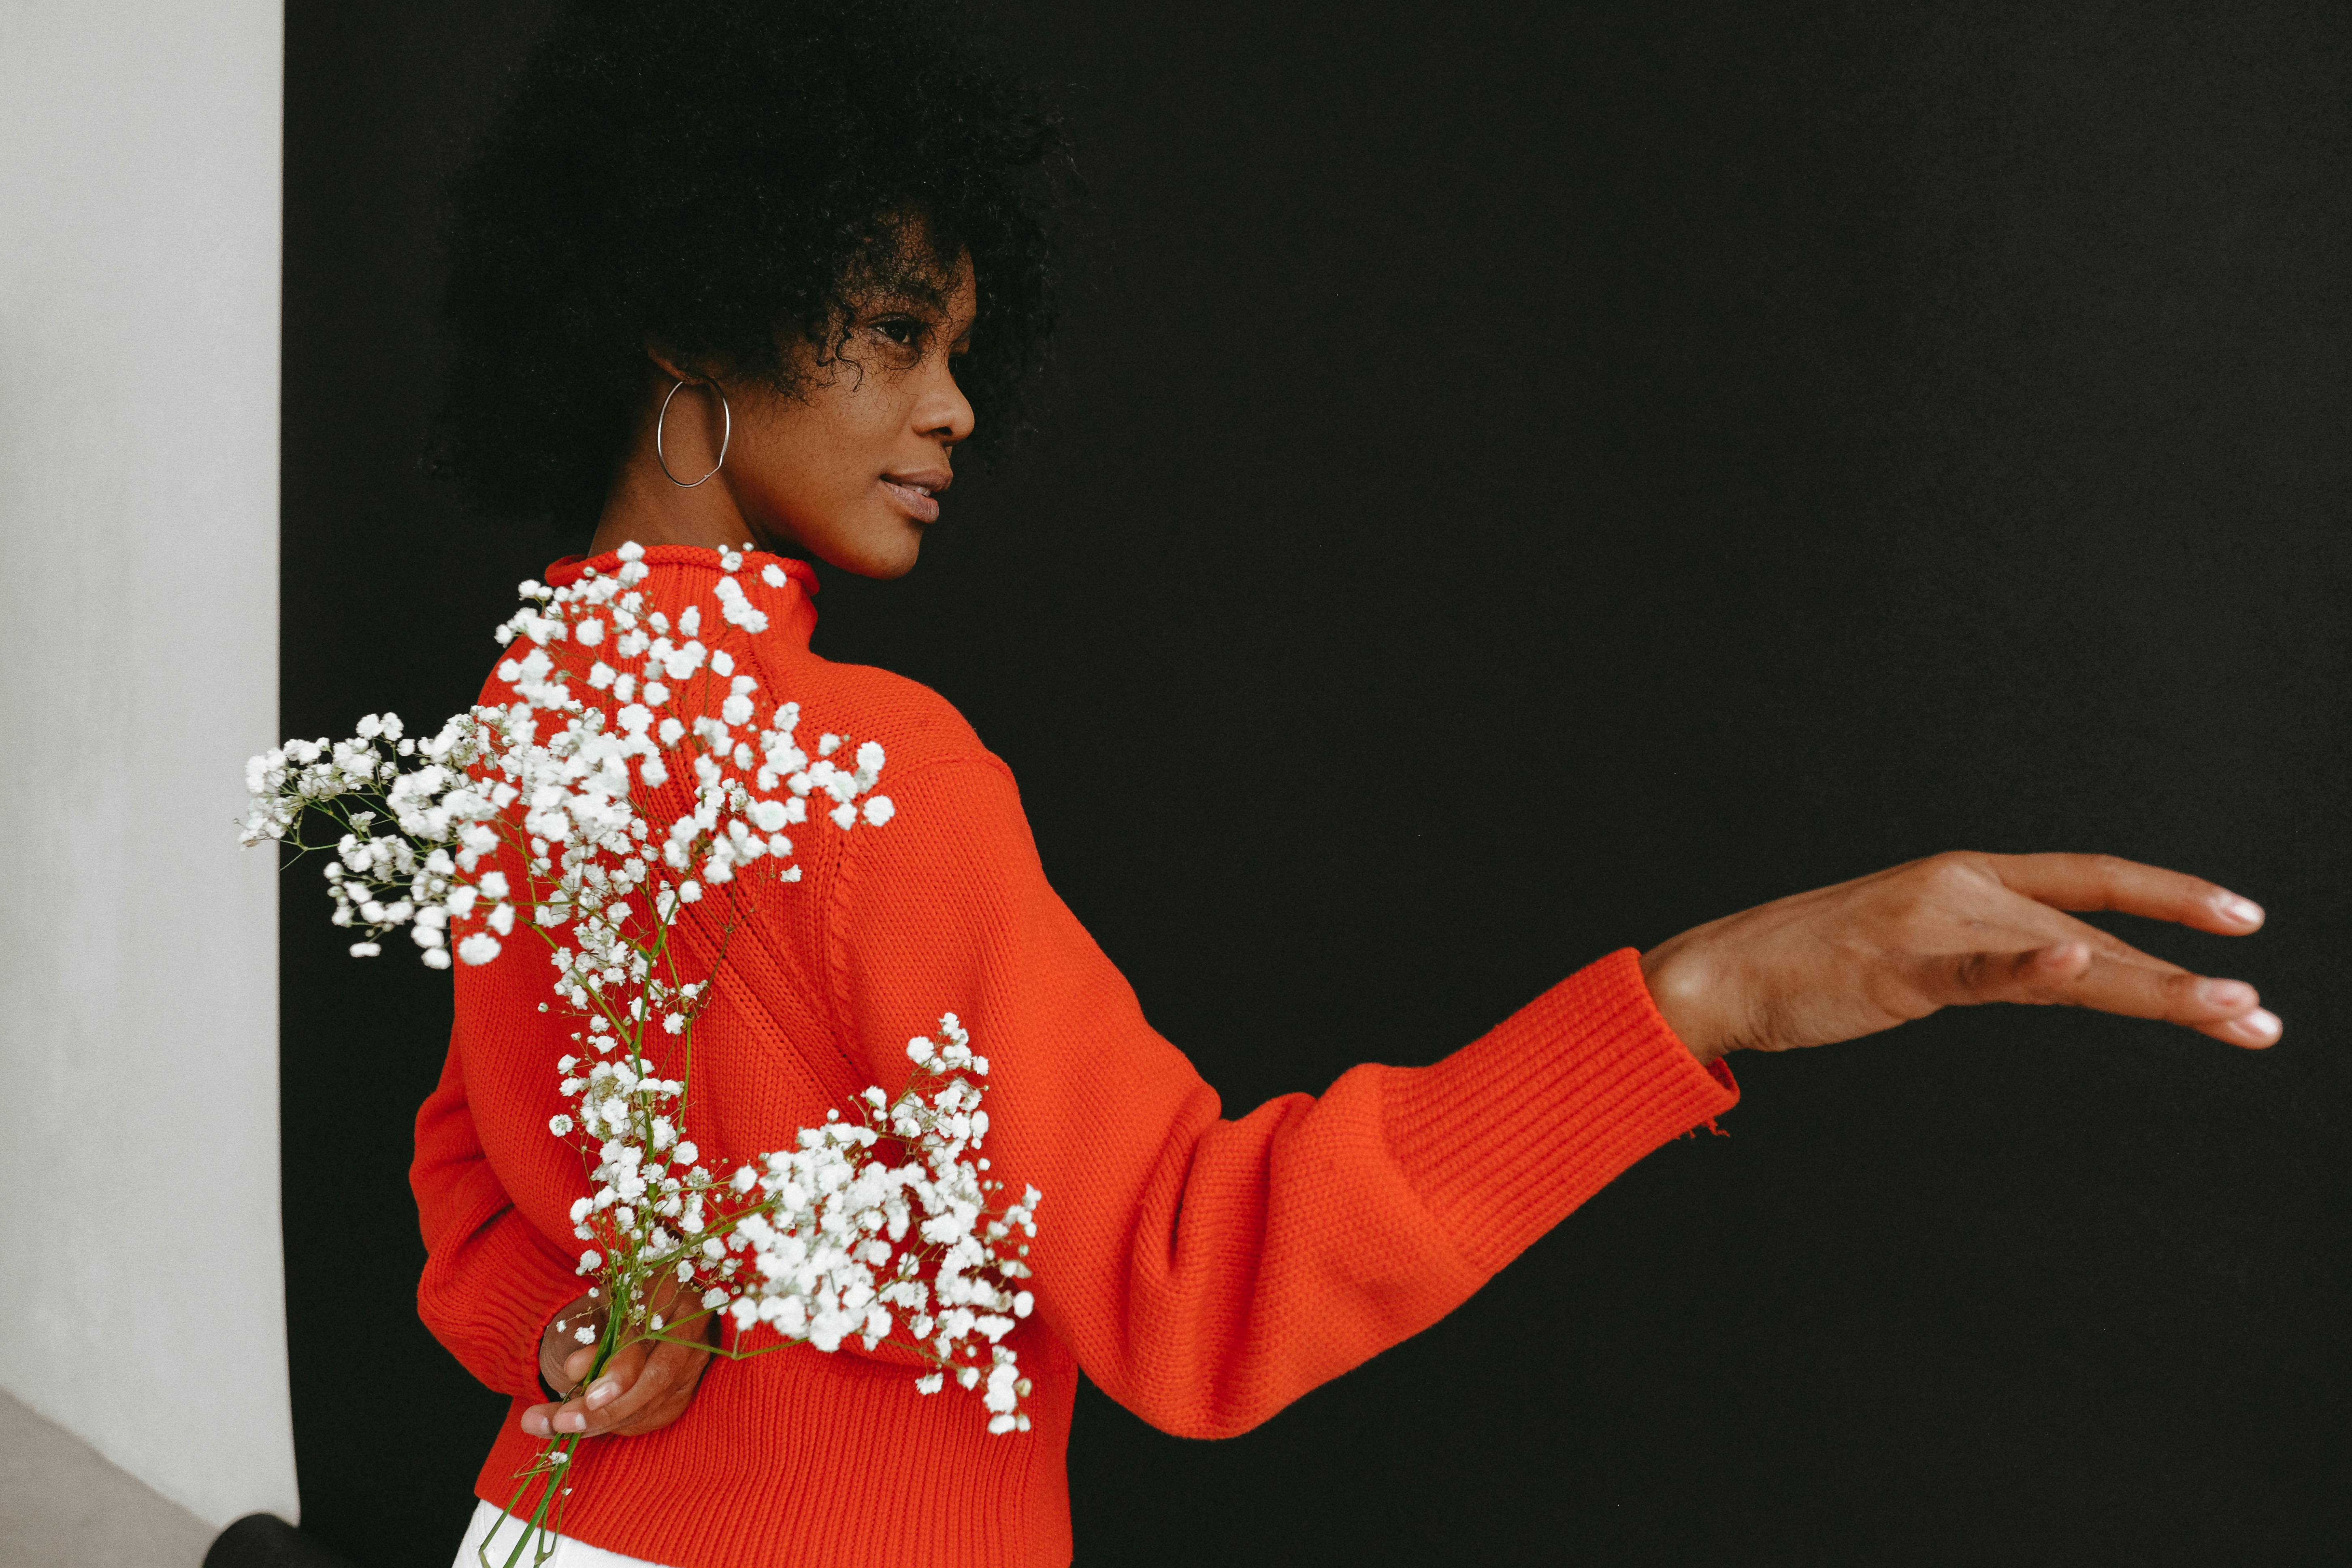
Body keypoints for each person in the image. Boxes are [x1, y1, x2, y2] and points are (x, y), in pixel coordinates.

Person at [416, 5, 2280, 1566]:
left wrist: (578, 1326)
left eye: (963, 350)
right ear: (686, 316)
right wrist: (1709, 993)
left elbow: (466, 1185)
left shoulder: (527, 720)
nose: (958, 405)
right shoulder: (861, 766)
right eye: (900, 332)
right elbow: (1185, 1280)